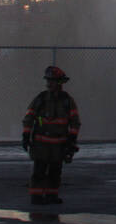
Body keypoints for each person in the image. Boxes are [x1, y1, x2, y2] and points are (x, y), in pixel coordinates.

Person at [22, 65, 80, 205]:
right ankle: (36, 197)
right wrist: (26, 135)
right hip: (41, 144)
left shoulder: (67, 100)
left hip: (59, 144)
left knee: (55, 172)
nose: (49, 84)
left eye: (52, 81)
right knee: (39, 171)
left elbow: (75, 121)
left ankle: (51, 196)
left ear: (60, 82)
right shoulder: (41, 98)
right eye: (48, 81)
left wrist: (72, 140)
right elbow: (29, 116)